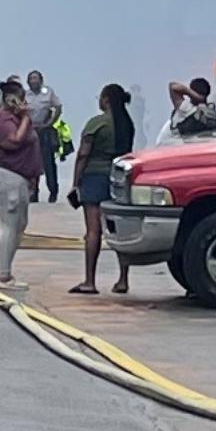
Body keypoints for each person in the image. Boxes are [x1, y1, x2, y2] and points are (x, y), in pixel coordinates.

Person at [70, 83, 136, 295]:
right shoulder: (127, 124)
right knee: (117, 229)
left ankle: (90, 281)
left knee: (93, 231)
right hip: (118, 177)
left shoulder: (97, 124)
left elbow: (83, 155)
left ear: (106, 99)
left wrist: (76, 183)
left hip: (95, 177)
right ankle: (123, 279)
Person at [0, 78, 41, 290]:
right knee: (9, 223)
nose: (25, 103)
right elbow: (13, 141)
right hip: (6, 175)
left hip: (21, 177)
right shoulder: (2, 118)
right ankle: (3, 276)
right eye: (21, 99)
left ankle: (7, 271)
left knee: (20, 224)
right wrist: (25, 117)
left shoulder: (17, 118)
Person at [24, 69, 62, 203]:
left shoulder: (48, 92)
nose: (33, 81)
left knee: (48, 163)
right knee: (31, 163)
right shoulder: (25, 95)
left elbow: (58, 107)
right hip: (30, 132)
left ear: (41, 80)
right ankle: (33, 192)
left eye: (36, 78)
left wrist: (50, 122)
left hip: (44, 131)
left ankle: (53, 191)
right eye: (31, 78)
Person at [154, 79, 216, 146]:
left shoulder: (186, 109)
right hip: (207, 148)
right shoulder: (213, 111)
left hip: (182, 149)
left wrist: (195, 96)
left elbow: (173, 86)